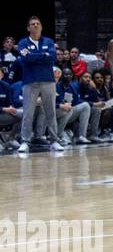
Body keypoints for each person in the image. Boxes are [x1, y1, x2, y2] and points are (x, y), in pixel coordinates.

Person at [16, 17, 61, 153]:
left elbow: (52, 57)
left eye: (37, 24)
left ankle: (54, 140)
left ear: (41, 27)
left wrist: (34, 56)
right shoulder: (23, 42)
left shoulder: (49, 41)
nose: (35, 26)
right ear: (28, 28)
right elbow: (25, 58)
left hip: (48, 80)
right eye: (32, 24)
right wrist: (43, 55)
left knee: (50, 112)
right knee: (28, 113)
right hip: (30, 82)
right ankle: (25, 141)